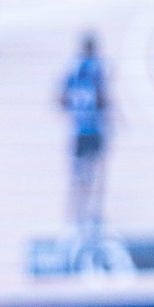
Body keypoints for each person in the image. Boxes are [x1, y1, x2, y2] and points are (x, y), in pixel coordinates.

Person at [59, 31, 111, 246]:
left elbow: (61, 99)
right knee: (97, 172)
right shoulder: (98, 68)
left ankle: (77, 215)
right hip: (94, 128)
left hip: (78, 130)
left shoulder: (72, 69)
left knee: (78, 174)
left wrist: (74, 110)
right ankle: (94, 215)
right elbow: (102, 98)